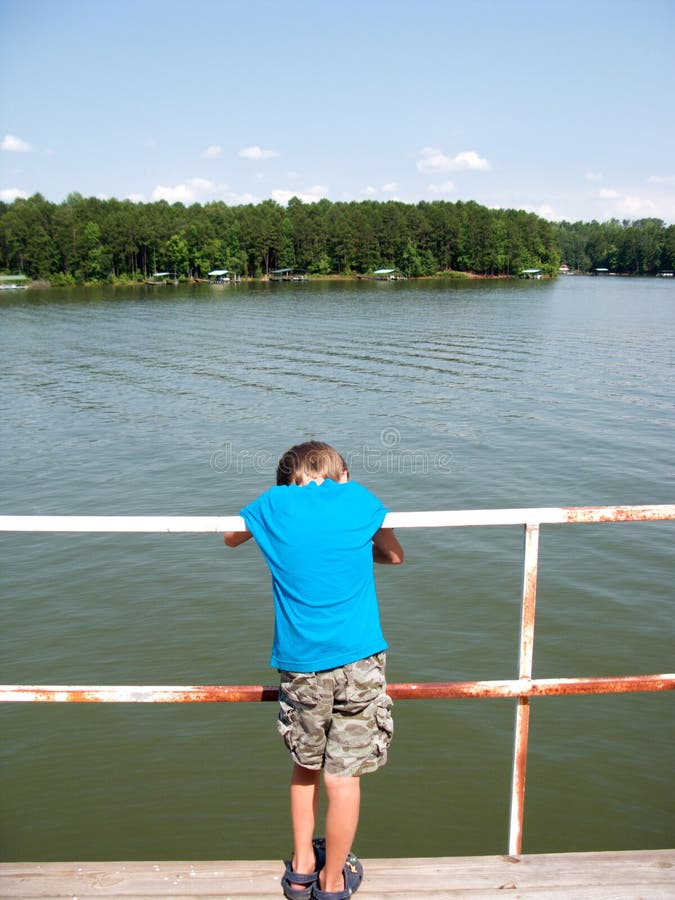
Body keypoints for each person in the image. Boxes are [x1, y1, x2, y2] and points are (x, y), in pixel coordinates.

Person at [224, 441, 404, 900]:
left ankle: (302, 866)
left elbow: (230, 537)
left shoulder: (274, 505)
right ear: (342, 474)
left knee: (305, 766)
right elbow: (395, 554)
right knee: (343, 778)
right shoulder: (359, 499)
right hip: (361, 662)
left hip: (302, 666)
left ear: (285, 480)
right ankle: (334, 879)